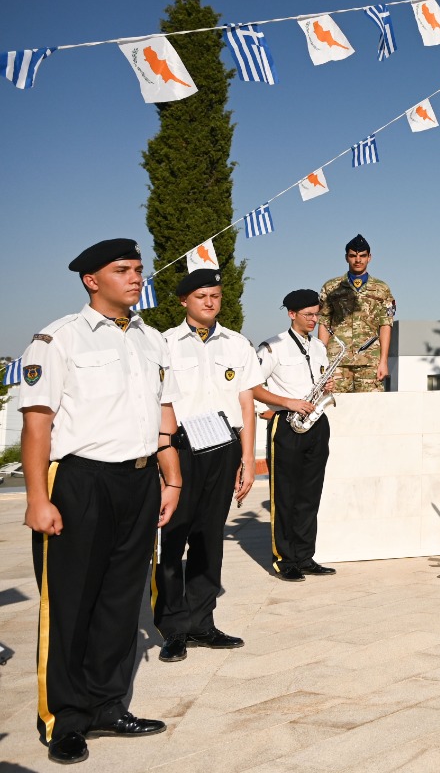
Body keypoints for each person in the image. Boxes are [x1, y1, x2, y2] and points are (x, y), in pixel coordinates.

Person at [15, 239, 181, 764]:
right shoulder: (58, 339)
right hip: (81, 482)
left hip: (139, 482)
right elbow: (37, 424)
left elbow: (162, 413)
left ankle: (108, 705)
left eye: (138, 268)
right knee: (70, 602)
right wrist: (37, 498)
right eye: (122, 269)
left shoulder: (152, 340)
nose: (136, 277)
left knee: (121, 602)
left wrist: (171, 478)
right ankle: (65, 718)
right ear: (91, 280)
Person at [154, 268, 261, 663]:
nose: (210, 302)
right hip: (180, 450)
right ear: (184, 300)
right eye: (201, 296)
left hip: (223, 447)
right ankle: (173, 628)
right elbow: (159, 405)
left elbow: (246, 405)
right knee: (173, 538)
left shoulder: (237, 344)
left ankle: (202, 623)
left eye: (215, 295)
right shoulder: (164, 343)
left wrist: (247, 459)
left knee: (209, 538)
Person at [253, 290, 335, 582]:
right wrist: (287, 403)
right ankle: (284, 559)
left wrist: (327, 387)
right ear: (291, 314)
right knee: (285, 495)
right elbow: (253, 387)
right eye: (308, 315)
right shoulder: (272, 347)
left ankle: (304, 556)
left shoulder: (319, 347)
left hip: (316, 423)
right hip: (287, 424)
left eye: (316, 315)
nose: (314, 320)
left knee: (310, 494)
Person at [317, 234, 393, 392]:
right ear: (346, 257)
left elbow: (385, 325)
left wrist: (383, 361)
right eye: (353, 256)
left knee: (371, 405)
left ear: (369, 257)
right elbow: (324, 323)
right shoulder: (331, 287)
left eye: (362, 256)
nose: (358, 260)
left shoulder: (381, 289)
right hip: (337, 360)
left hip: (369, 360)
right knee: (333, 403)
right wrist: (321, 360)